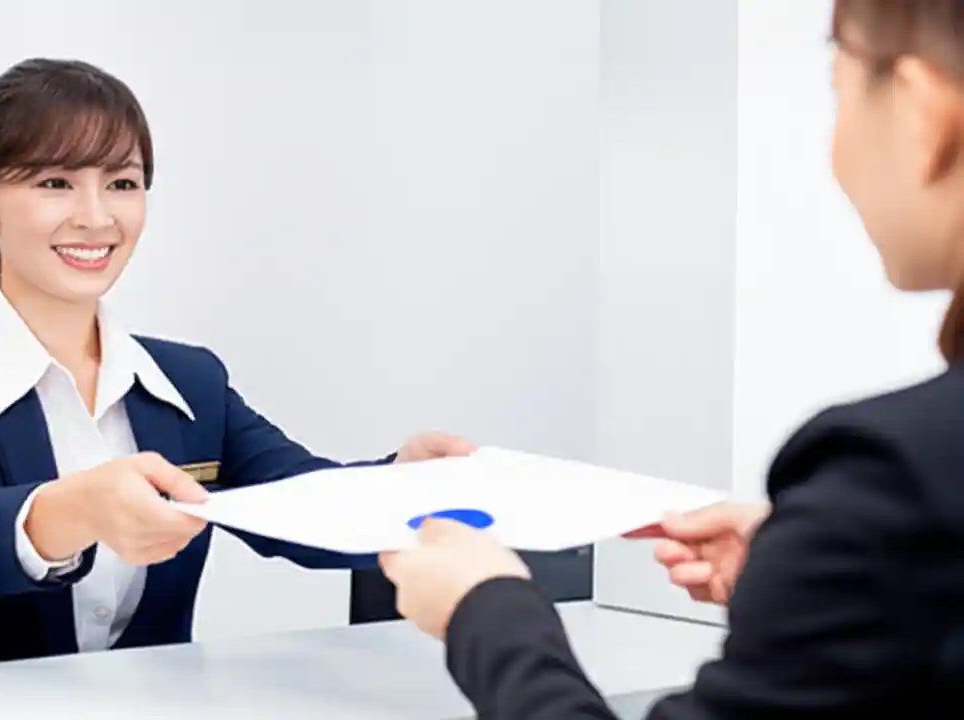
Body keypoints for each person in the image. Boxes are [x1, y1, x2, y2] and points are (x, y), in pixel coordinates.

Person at [379, 1, 964, 716]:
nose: (836, 155)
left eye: (840, 95)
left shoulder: (893, 482)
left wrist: (485, 611)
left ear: (919, 113)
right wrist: (814, 571)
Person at [0, 57, 473, 673]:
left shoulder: (191, 382)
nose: (95, 217)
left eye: (122, 183)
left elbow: (295, 505)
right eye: (55, 183)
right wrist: (83, 508)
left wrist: (401, 484)